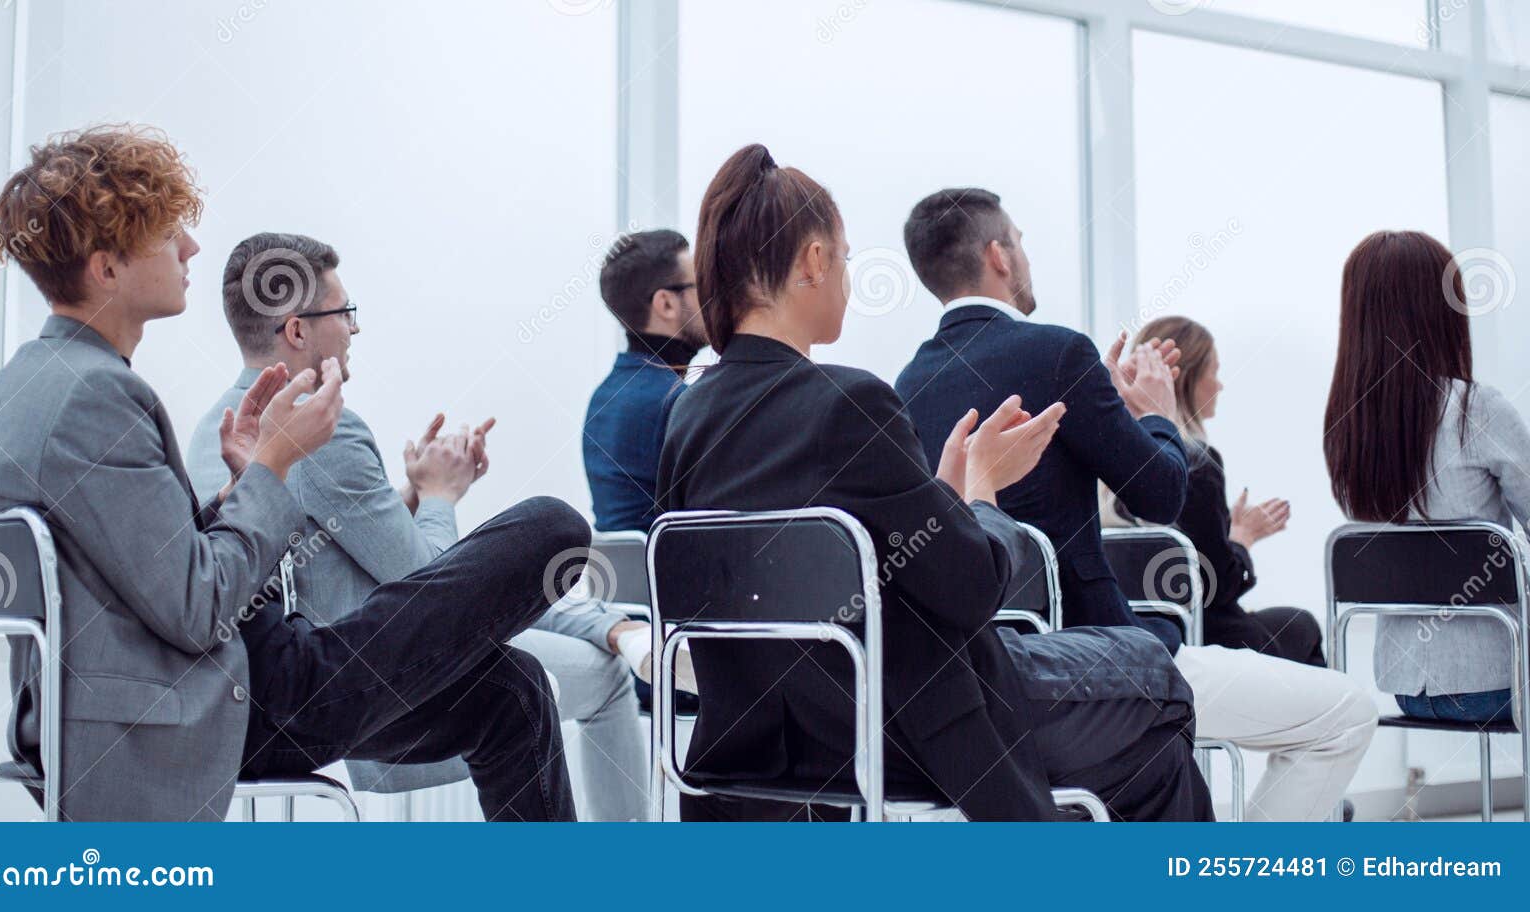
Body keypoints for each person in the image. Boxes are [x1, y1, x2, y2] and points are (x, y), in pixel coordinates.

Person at [0, 125, 584, 821]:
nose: (192, 248)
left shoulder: (27, 387)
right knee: (552, 529)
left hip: (226, 680)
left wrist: (240, 485)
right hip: (246, 699)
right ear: (106, 268)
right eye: (168, 234)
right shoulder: (94, 399)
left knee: (511, 691)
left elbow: (142, 569)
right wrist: (276, 468)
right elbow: (201, 607)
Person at [659, 144, 1213, 823]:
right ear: (811, 262)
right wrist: (981, 492)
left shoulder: (691, 418)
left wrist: (944, 500)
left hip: (765, 742)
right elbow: (972, 590)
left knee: (1156, 760)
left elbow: (844, 571)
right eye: (845, 259)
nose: (848, 281)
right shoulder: (848, 402)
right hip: (910, 727)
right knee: (1157, 679)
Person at [895, 187, 1375, 821]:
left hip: (988, 679)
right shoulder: (1058, 351)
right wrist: (1157, 414)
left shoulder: (909, 381)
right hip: (1103, 662)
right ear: (999, 257)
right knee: (1346, 713)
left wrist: (1111, 409)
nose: (1026, 254)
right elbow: (1159, 493)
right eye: (1021, 240)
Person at [186, 232, 651, 820]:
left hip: (272, 682)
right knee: (597, 662)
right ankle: (617, 640)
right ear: (298, 331)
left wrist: (408, 492)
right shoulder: (324, 428)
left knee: (519, 657)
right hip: (367, 691)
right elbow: (434, 583)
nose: (353, 329)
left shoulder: (216, 425)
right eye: (344, 313)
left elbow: (342, 545)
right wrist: (439, 494)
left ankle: (612, 627)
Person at [1325, 230, 1530, 725]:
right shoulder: (1474, 409)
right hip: (1496, 680)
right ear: (1442, 312)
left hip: (1406, 686)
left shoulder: (1347, 424)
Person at [1103, 316, 1324, 666]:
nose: (1219, 385)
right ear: (1187, 378)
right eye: (1214, 372)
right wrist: (1242, 536)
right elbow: (1216, 588)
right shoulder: (1196, 464)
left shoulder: (1105, 459)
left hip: (1128, 639)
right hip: (1204, 643)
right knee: (1302, 624)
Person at [583, 228, 706, 533]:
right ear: (666, 304)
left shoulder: (603, 398)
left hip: (623, 580)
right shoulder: (676, 401)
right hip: (671, 579)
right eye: (702, 285)